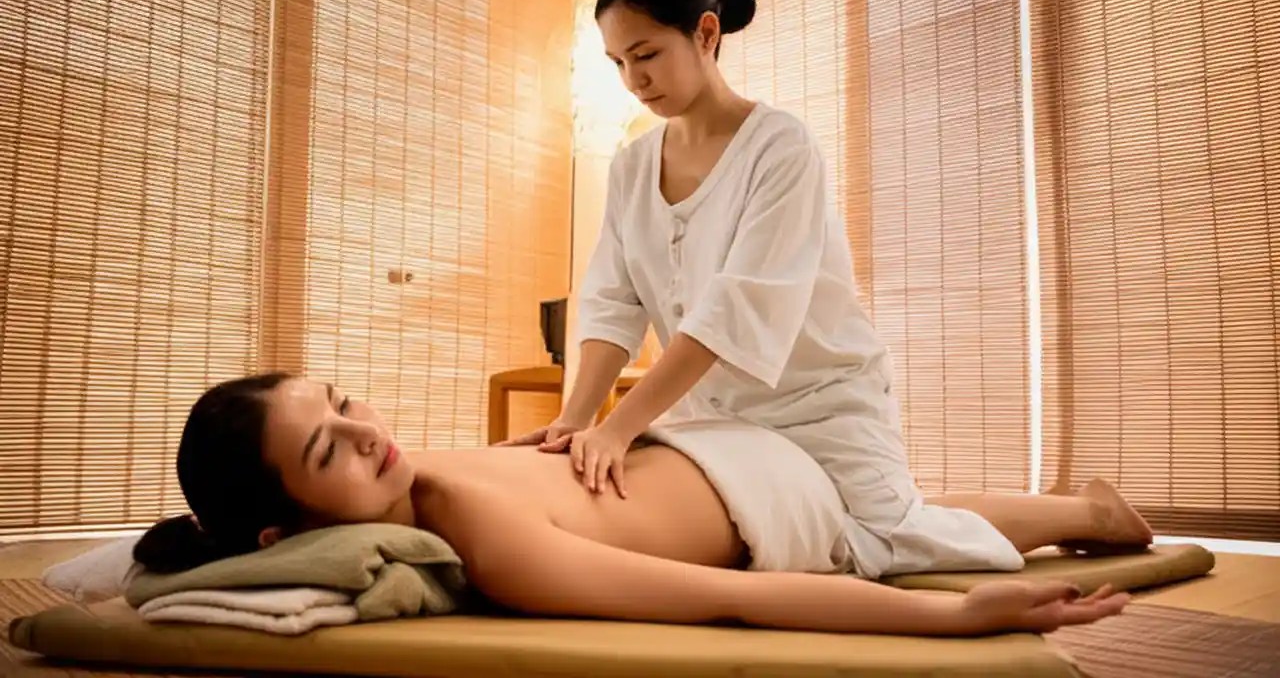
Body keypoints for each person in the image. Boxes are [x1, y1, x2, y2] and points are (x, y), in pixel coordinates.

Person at [499, 0, 1149, 579]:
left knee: (887, 537)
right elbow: (613, 304)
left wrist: (622, 426)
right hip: (716, 415)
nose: (634, 80)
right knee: (801, 533)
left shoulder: (780, 147)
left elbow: (735, 309)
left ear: (705, 33)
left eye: (646, 55)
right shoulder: (632, 167)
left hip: (821, 402)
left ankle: (1088, 513)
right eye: (618, 62)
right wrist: (576, 421)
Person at [135, 373, 1148, 637]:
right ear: (282, 532)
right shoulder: (483, 543)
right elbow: (725, 598)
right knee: (896, 527)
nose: (366, 433)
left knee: (894, 524)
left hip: (732, 457)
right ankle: (1085, 513)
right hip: (767, 501)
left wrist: (575, 432)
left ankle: (1083, 513)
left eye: (343, 401)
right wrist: (951, 616)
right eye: (329, 448)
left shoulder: (413, 477)